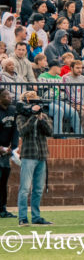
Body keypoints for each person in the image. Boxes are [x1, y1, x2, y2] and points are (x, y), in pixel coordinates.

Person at [15, 90, 52, 226]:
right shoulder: (21, 116)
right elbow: (23, 131)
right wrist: (32, 116)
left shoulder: (43, 115)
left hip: (42, 155)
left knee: (38, 188)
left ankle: (36, 216)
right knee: (25, 188)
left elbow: (49, 132)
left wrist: (41, 119)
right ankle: (23, 217)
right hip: (28, 155)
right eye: (32, 99)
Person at [0, 90, 15, 218]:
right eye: (6, 96)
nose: (10, 98)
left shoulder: (12, 110)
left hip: (6, 152)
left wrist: (13, 147)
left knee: (4, 182)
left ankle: (3, 209)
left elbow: (15, 130)